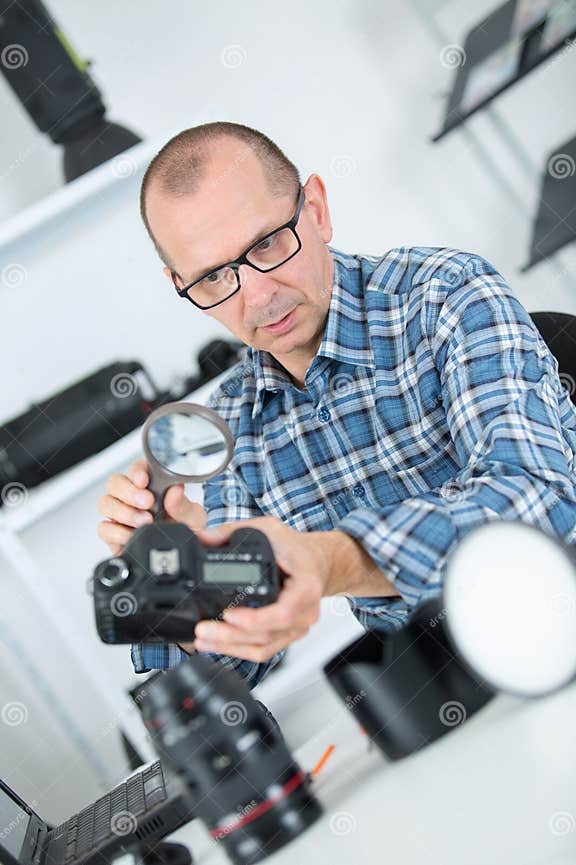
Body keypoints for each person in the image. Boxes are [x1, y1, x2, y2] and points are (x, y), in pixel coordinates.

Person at [97, 121, 576, 686]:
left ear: (316, 210)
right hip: (442, 690)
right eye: (213, 278)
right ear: (183, 286)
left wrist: (330, 560)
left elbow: (537, 494)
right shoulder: (236, 423)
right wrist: (182, 575)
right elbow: (215, 674)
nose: (257, 295)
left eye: (267, 244)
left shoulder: (446, 294)